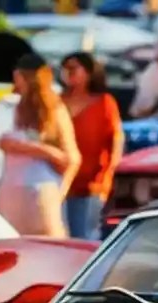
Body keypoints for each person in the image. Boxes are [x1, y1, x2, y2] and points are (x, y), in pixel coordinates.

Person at [0, 53, 80, 236]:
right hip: (37, 188)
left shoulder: (48, 109)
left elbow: (71, 159)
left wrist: (59, 192)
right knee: (47, 252)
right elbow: (71, 159)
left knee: (16, 250)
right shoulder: (50, 108)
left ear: (18, 76)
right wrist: (47, 153)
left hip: (19, 189)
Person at [59, 51, 123, 240]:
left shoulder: (104, 102)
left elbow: (115, 140)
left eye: (74, 68)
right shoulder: (58, 101)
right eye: (65, 68)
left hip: (92, 183)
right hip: (61, 182)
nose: (68, 73)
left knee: (86, 236)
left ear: (88, 72)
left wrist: (108, 176)